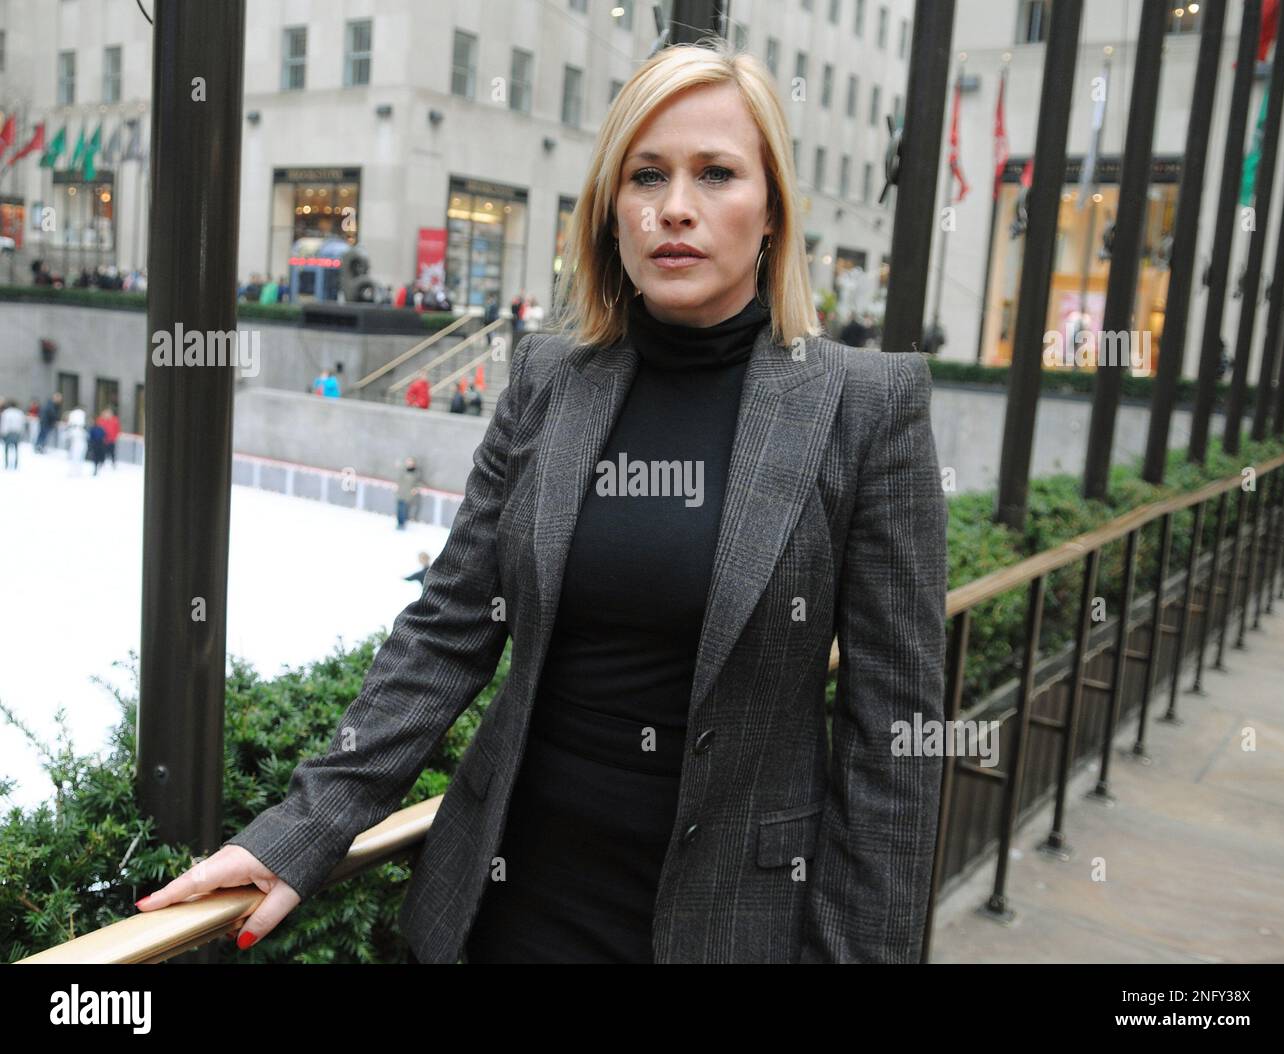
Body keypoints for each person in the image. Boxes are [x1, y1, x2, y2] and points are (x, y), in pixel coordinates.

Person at [137, 37, 947, 966]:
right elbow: (448, 627)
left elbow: (894, 742)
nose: (675, 207)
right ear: (611, 211)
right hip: (506, 909)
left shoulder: (868, 408)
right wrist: (304, 827)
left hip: (729, 928)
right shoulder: (549, 380)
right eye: (647, 175)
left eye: (717, 173)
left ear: (772, 211)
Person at [394, 456, 423, 530]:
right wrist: (397, 486)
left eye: (410, 462)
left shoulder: (416, 473)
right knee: (399, 508)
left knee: (404, 509)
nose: (409, 463)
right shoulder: (403, 471)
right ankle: (399, 523)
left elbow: (419, 483)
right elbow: (399, 480)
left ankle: (402, 523)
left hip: (408, 494)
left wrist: (415, 489)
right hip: (401, 493)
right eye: (408, 461)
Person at [1, 398, 25, 470]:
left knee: (6, 449)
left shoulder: (6, 412)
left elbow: (4, 424)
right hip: (17, 433)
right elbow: (22, 424)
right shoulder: (20, 413)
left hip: (9, 432)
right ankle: (15, 464)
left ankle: (6, 463)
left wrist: (3, 433)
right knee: (16, 449)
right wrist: (21, 433)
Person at [65, 404, 87, 476]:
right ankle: (75, 471)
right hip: (78, 438)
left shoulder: (72, 416)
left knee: (74, 454)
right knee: (76, 454)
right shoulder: (79, 416)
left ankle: (75, 470)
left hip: (76, 437)